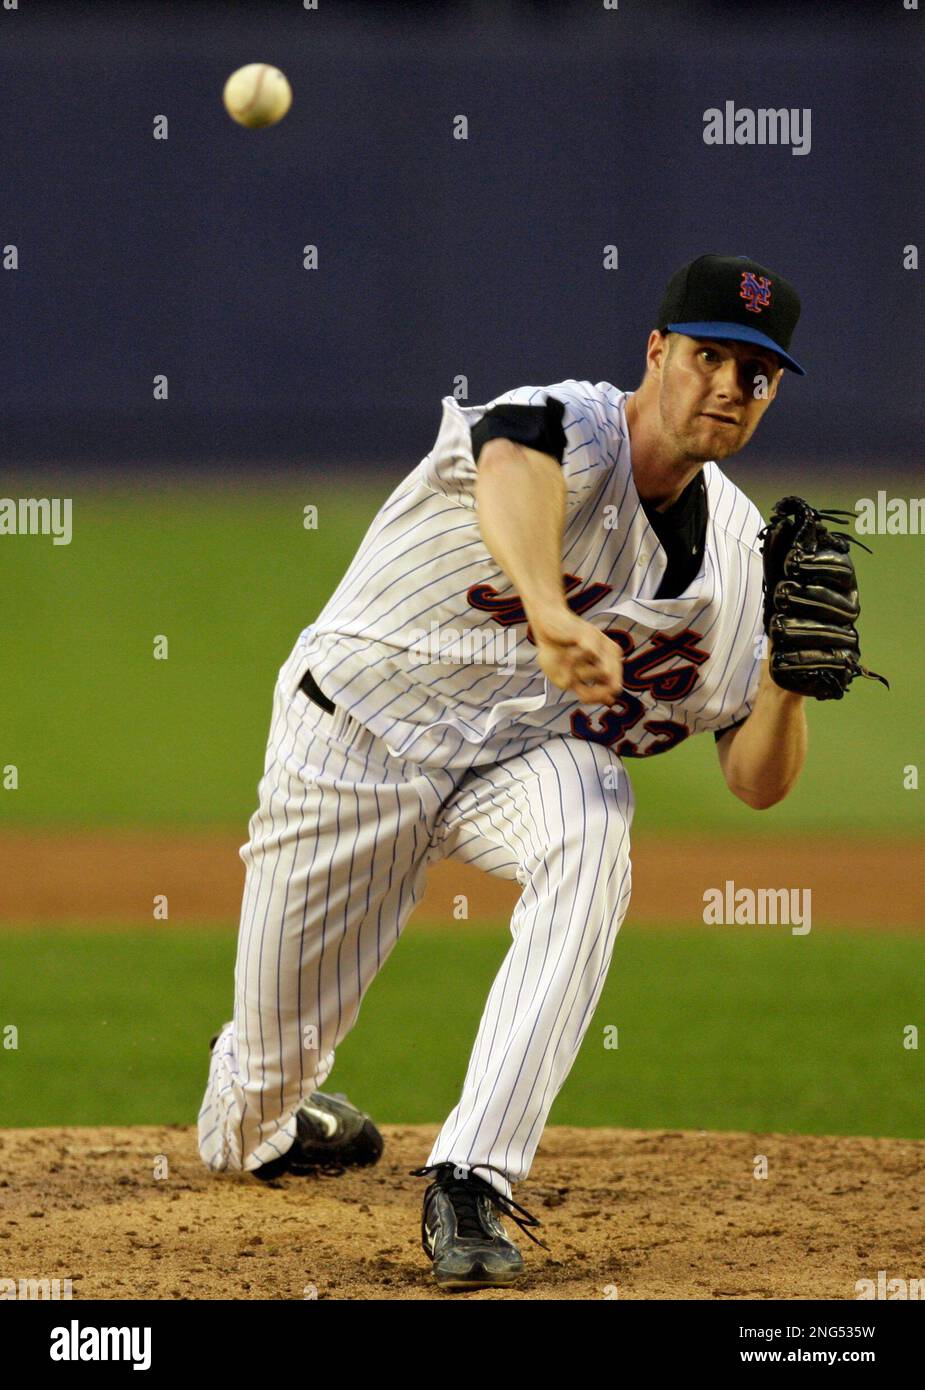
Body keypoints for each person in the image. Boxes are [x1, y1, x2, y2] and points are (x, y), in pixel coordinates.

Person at [198, 253, 809, 1290]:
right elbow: (511, 467)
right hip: (353, 738)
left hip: (512, 759)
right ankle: (263, 1109)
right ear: (656, 352)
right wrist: (550, 607)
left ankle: (471, 1177)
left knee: (592, 820)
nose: (726, 387)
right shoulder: (567, 421)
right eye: (709, 356)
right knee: (255, 1097)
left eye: (754, 374)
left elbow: (752, 779)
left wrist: (792, 687)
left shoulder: (744, 553)